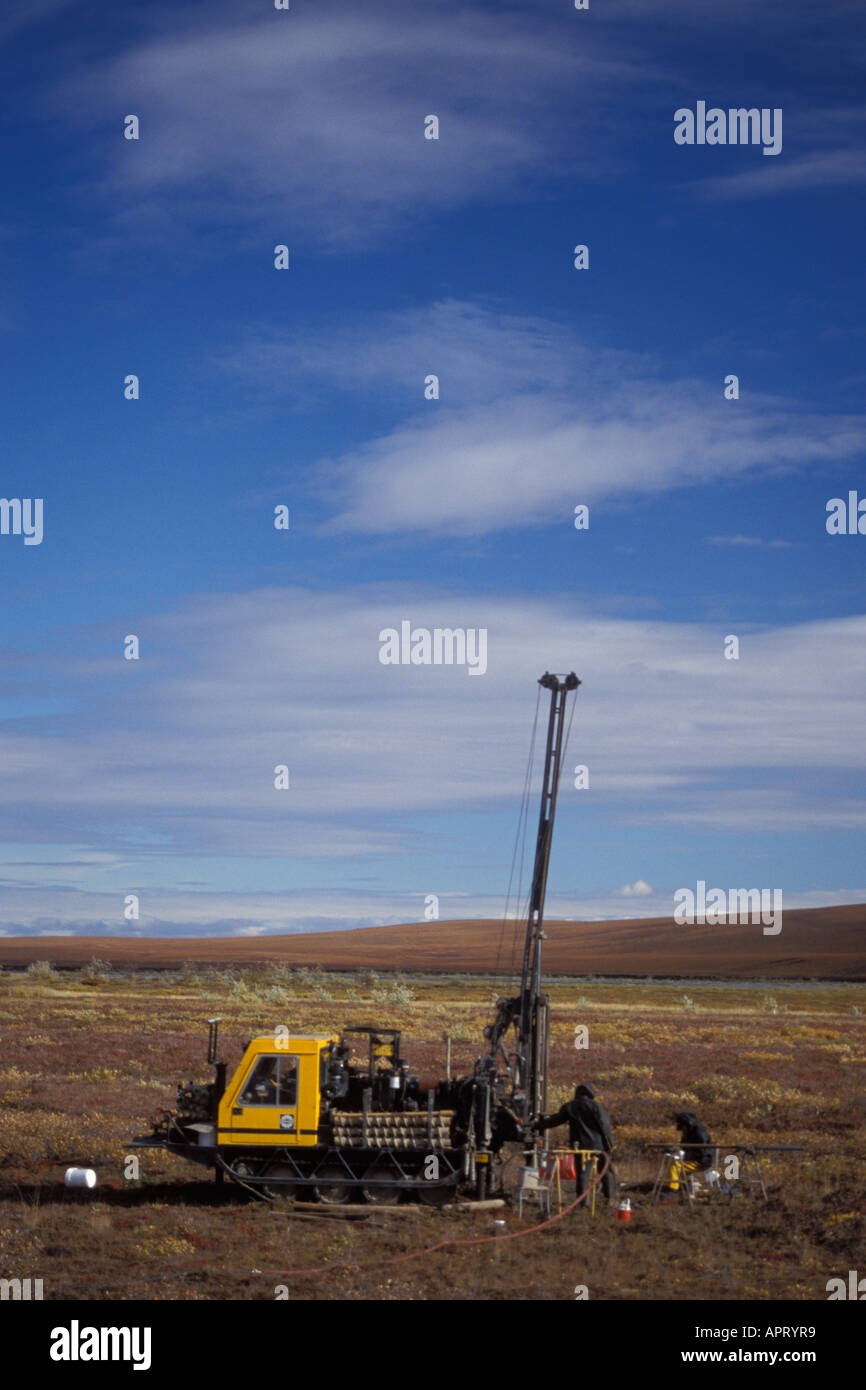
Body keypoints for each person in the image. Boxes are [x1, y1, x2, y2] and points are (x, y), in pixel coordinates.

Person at [533, 1083, 618, 1203]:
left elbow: (555, 1120)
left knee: (583, 1174)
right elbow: (605, 1125)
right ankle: (611, 1199)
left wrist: (536, 1125)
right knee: (606, 1171)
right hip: (599, 1146)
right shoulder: (595, 1106)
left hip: (580, 1146)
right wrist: (609, 1144)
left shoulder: (570, 1106)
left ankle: (582, 1203)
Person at [667, 1111, 714, 1192]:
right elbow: (684, 1147)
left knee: (675, 1166)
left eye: (683, 1127)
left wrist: (685, 1155)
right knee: (672, 1162)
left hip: (701, 1161)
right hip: (692, 1159)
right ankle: (669, 1187)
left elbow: (702, 1153)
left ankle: (672, 1190)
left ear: (687, 1124)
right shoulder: (688, 1133)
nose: (682, 1129)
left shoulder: (699, 1134)